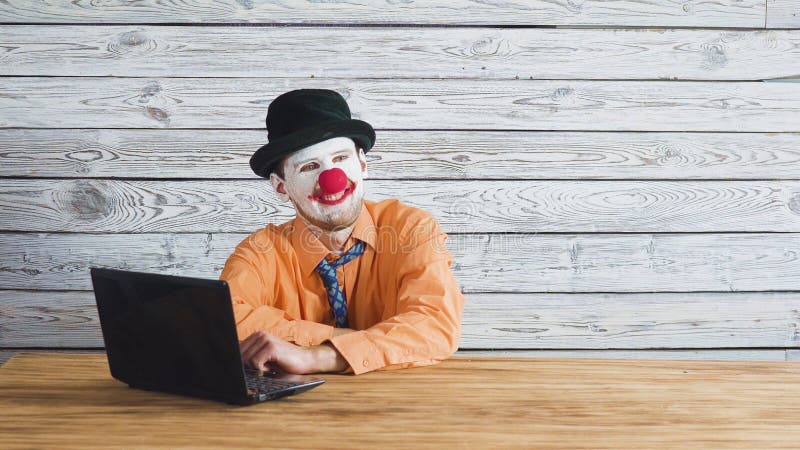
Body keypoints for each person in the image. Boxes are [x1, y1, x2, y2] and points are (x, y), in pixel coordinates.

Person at [219, 88, 465, 375]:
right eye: (309, 166)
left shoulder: (410, 229)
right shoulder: (260, 252)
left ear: (362, 164)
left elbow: (435, 325)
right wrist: (347, 339)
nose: (331, 179)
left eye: (340, 158)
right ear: (281, 186)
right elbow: (225, 321)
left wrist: (314, 356)